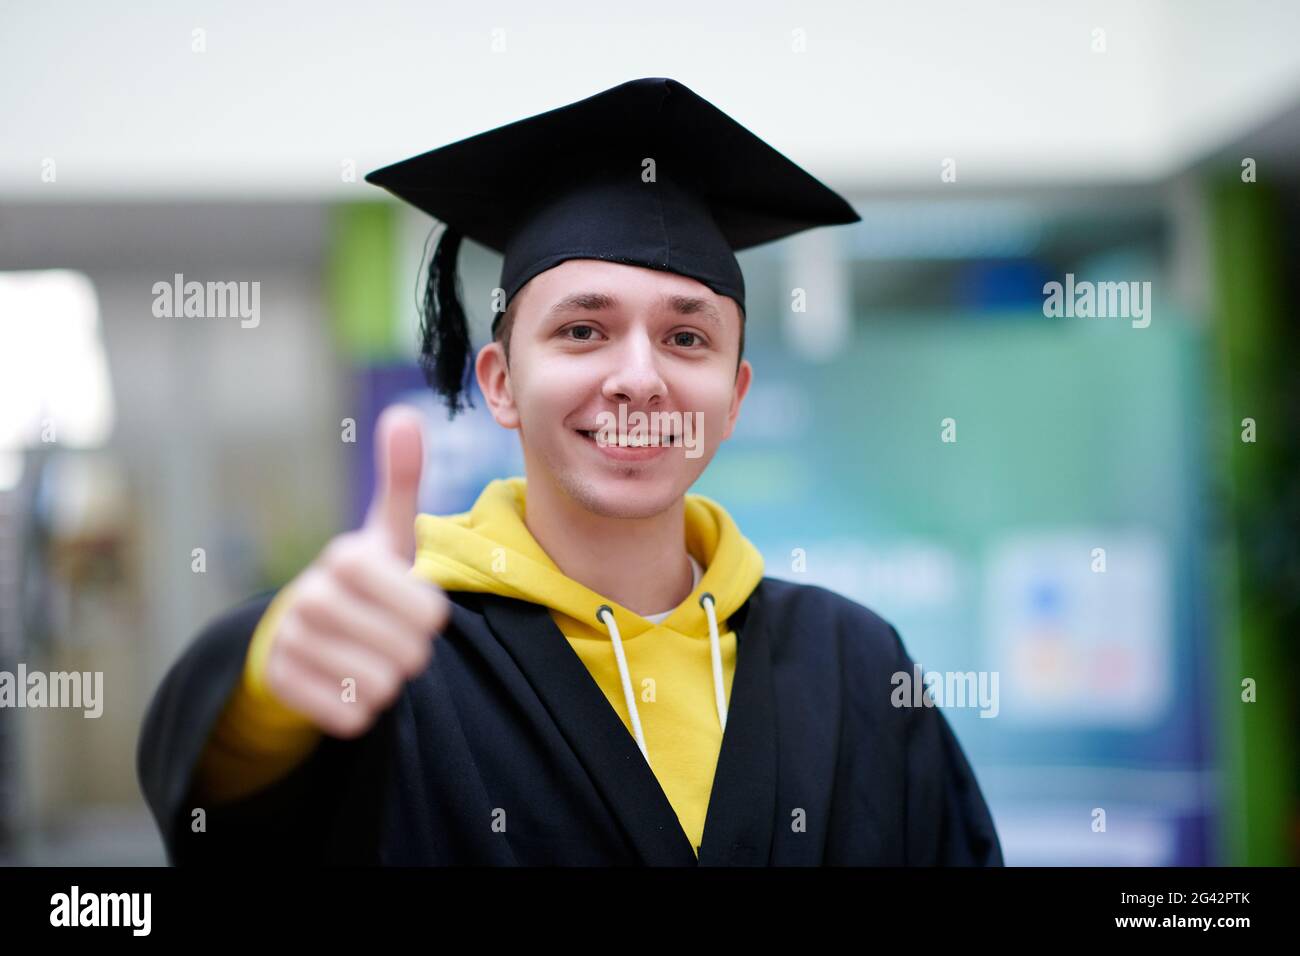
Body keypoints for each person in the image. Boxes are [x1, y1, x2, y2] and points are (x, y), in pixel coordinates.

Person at [137, 77, 1003, 865]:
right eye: (583, 330)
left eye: (687, 336)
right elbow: (233, 820)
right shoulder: (397, 650)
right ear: (502, 384)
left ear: (735, 397)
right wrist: (262, 690)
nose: (638, 375)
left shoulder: (850, 662)